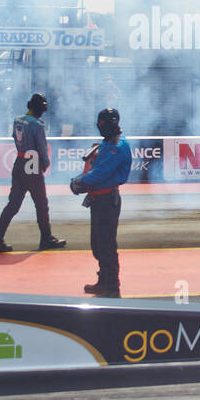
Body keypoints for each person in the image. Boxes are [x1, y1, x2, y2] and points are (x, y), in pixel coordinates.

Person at [0, 93, 66, 252]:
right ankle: (46, 238)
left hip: (19, 161)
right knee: (42, 205)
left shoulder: (18, 120)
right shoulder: (37, 125)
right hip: (32, 164)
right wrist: (45, 162)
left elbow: (14, 137)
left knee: (13, 205)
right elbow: (42, 147)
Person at [71, 107, 133, 298]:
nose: (100, 127)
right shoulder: (108, 143)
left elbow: (101, 173)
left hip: (107, 199)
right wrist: (80, 180)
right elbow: (96, 169)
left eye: (103, 124)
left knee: (106, 245)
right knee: (98, 244)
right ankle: (103, 280)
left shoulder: (117, 146)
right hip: (98, 199)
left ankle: (112, 287)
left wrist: (79, 182)